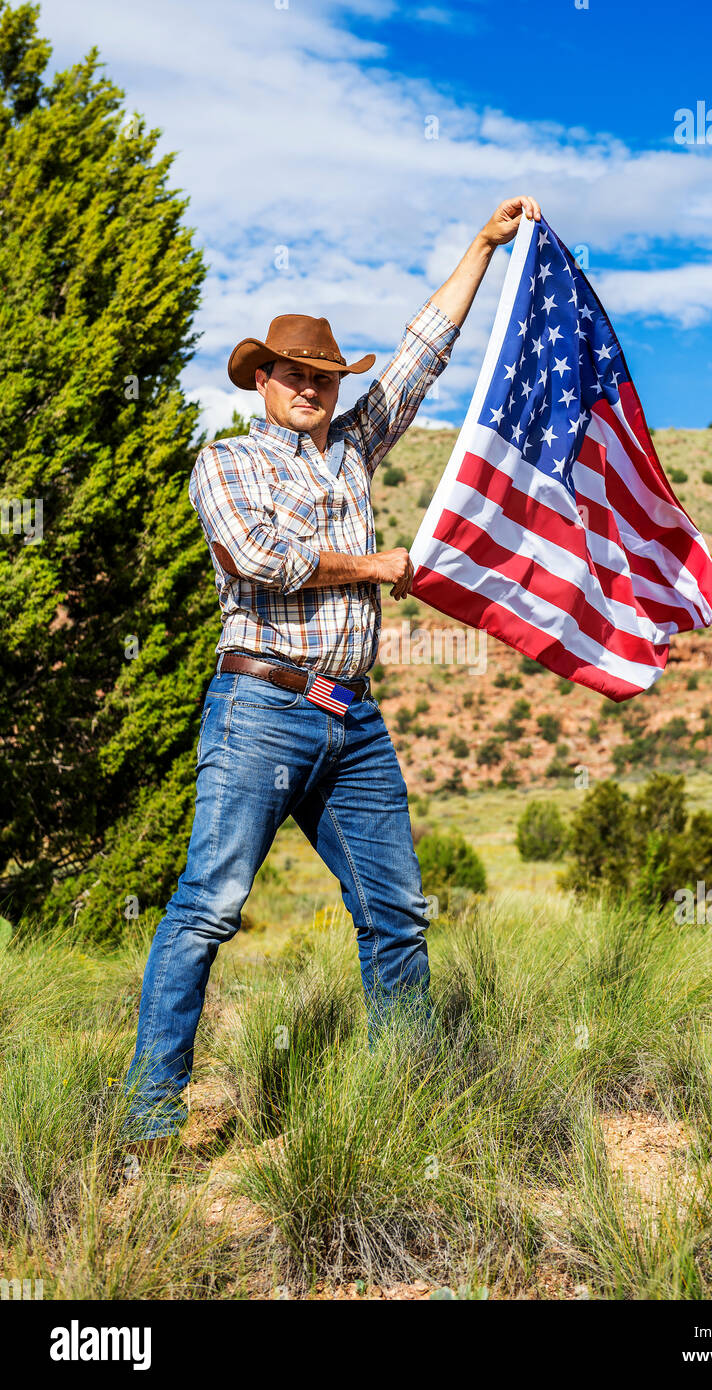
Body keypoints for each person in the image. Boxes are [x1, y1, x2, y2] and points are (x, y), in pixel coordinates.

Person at [123, 196, 543, 1145]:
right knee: (208, 909)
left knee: (396, 912)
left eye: (321, 374)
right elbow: (259, 564)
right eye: (291, 374)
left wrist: (479, 245)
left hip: (350, 719)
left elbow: (421, 354)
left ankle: (407, 1105)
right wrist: (380, 566)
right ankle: (149, 1120)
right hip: (261, 706)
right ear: (261, 380)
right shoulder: (225, 463)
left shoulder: (354, 444)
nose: (309, 387)